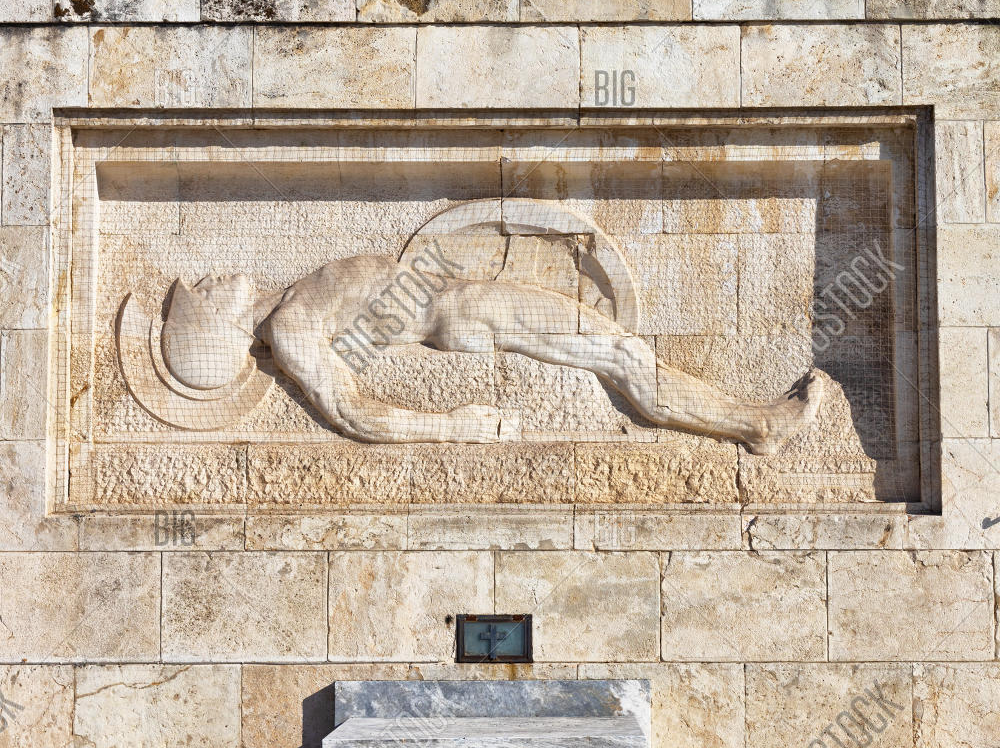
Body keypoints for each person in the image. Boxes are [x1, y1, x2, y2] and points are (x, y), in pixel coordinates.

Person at [163, 258, 823, 454]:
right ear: (219, 327)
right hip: (472, 311)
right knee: (623, 358)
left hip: (473, 299)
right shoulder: (293, 327)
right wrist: (454, 425)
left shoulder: (292, 299)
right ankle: (756, 426)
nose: (210, 281)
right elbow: (352, 412)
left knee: (621, 357)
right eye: (203, 298)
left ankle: (749, 421)